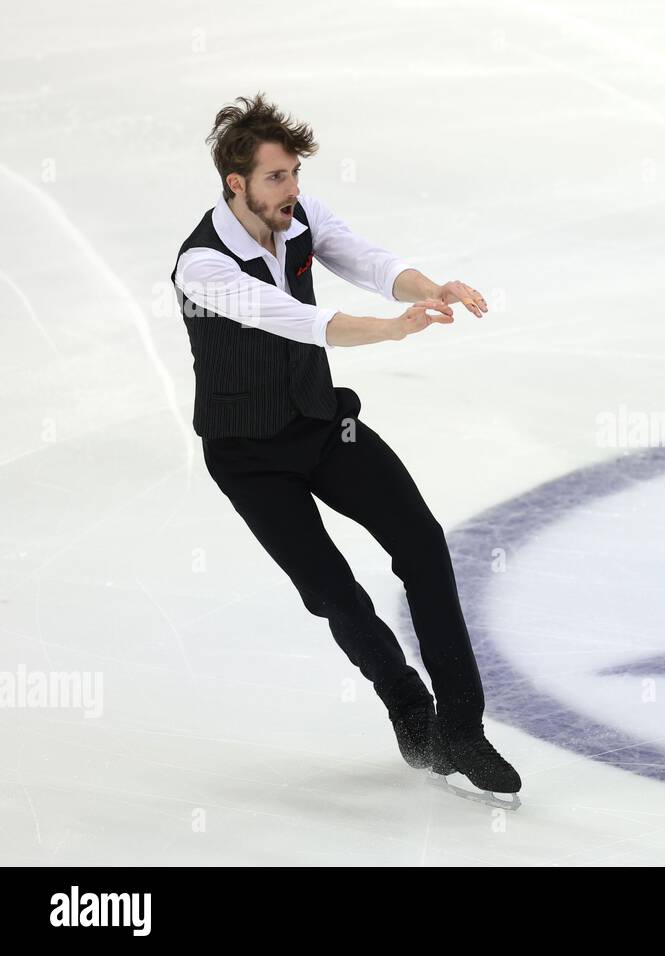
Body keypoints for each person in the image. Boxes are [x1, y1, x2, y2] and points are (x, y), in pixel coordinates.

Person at [171, 93, 520, 807]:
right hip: (248, 454)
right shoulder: (203, 268)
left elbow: (365, 259)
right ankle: (406, 705)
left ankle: (461, 727)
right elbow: (301, 321)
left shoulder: (300, 218)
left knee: (422, 543)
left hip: (327, 426)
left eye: (293, 173)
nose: (292, 190)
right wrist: (392, 332)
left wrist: (429, 287)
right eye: (276, 178)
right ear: (235, 184)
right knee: (335, 593)